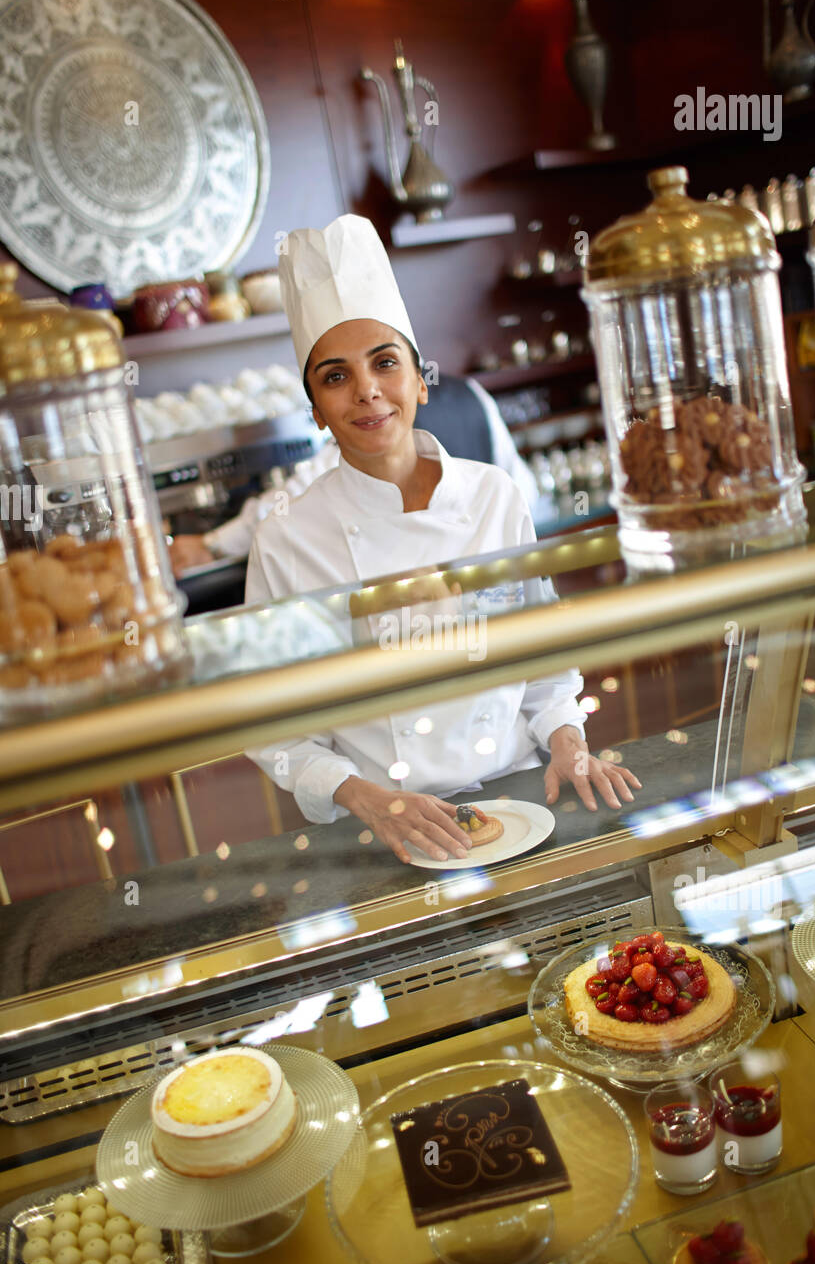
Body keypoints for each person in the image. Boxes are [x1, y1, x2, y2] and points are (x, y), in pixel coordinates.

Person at [245, 214, 639, 864]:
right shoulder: (287, 537)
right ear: (315, 409)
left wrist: (570, 744)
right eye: (335, 376)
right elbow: (273, 725)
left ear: (421, 380)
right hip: (380, 829)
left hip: (519, 799)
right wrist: (370, 801)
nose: (367, 390)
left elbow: (542, 656)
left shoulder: (492, 496)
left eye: (385, 363)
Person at [167, 373, 537, 574]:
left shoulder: (373, 419)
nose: (367, 390)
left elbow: (296, 493)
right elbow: (529, 492)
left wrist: (210, 545)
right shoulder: (470, 393)